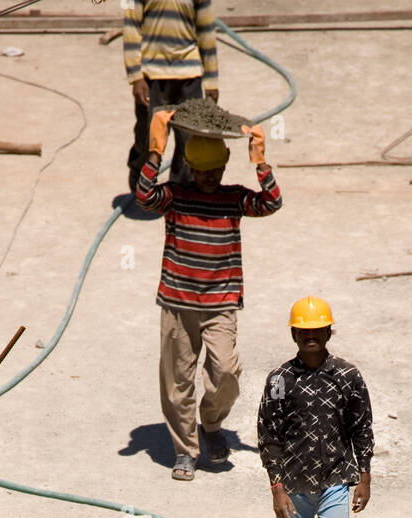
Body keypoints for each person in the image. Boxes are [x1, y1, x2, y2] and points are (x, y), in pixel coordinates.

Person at [136, 111, 282, 480]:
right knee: (176, 381)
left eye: (215, 173)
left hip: (221, 305)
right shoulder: (174, 196)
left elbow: (271, 202)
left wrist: (259, 160)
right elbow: (143, 196)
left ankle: (211, 423)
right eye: (203, 173)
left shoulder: (233, 199)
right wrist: (156, 150)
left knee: (226, 373)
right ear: (189, 168)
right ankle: (186, 449)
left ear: (223, 169)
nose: (209, 180)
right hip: (177, 304)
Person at [258, 296, 374, 518]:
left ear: (328, 331)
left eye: (317, 330)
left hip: (335, 480)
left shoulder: (348, 376)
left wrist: (364, 476)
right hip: (292, 484)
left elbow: (362, 426)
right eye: (304, 331)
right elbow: (269, 436)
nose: (311, 336)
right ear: (294, 334)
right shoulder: (280, 379)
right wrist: (276, 488)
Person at [123, 0, 219, 191]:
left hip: (189, 76)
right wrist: (135, 76)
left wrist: (211, 80)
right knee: (149, 137)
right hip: (152, 76)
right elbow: (130, 27)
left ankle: (180, 192)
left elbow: (206, 30)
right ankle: (140, 175)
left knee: (189, 140)